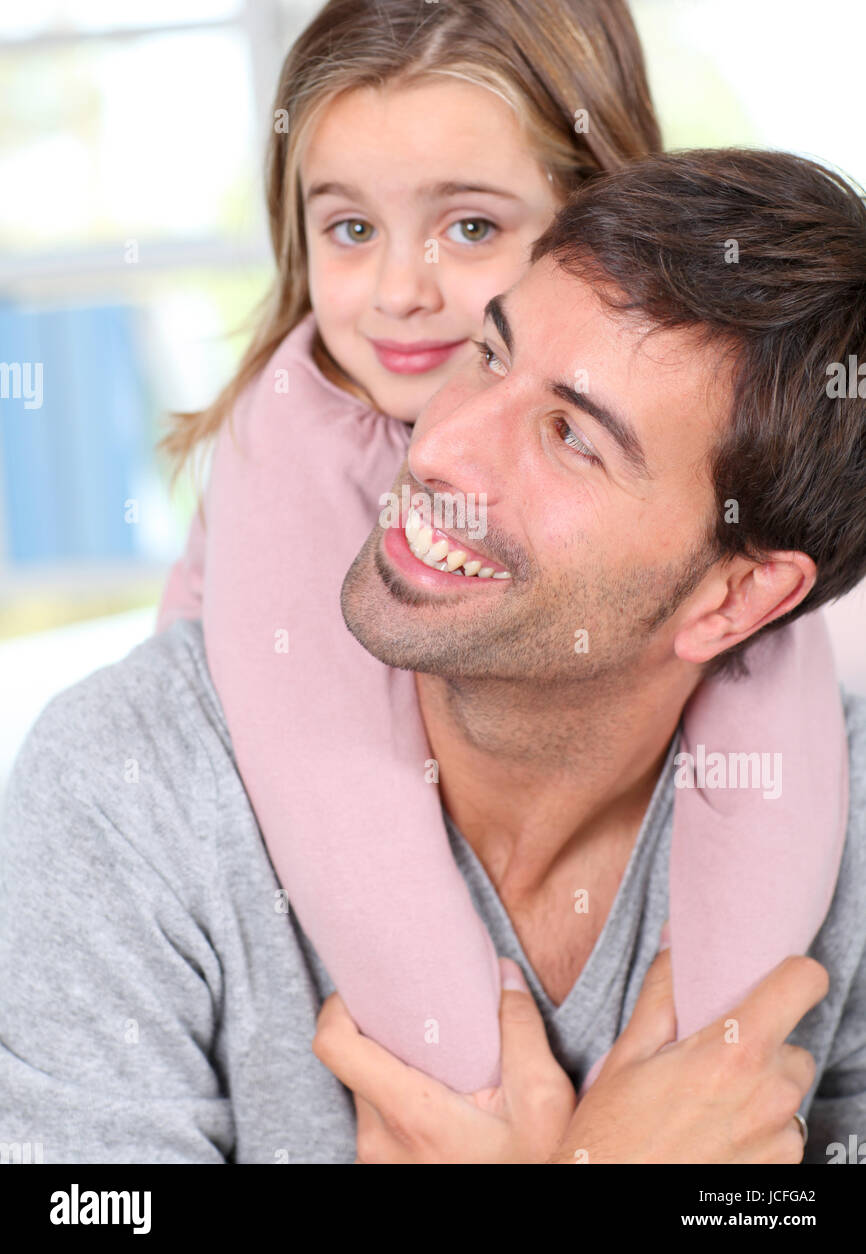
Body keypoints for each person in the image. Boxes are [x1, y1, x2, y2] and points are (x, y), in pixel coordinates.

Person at [0, 147, 863, 1164]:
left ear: (733, 597)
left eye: (567, 436)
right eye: (490, 355)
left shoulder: (840, 832)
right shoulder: (124, 790)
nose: (441, 444)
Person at [156, 0, 846, 1092]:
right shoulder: (289, 439)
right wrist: (498, 1099)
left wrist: (702, 1069)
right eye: (348, 229)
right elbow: (338, 795)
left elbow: (773, 698)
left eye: (469, 226)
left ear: (598, 221)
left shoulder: (722, 526)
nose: (397, 291)